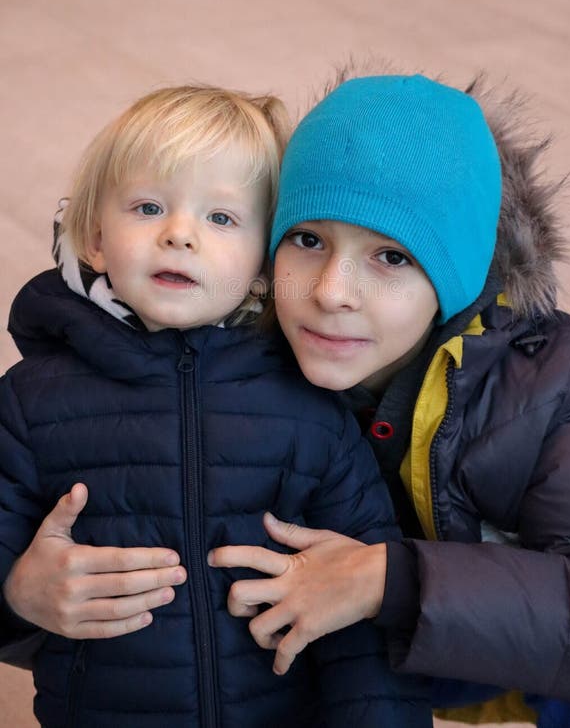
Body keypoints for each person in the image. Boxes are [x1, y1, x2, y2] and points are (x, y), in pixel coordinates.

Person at [0, 84, 432, 727]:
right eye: (148, 207)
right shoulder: (32, 401)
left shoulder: (312, 410)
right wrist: (16, 592)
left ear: (265, 262)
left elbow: (361, 626)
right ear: (94, 239)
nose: (179, 235)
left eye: (221, 218)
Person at [207, 71, 570, 727]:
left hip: (491, 647)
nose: (332, 291)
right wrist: (25, 593)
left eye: (391, 256)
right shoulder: (228, 353)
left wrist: (390, 579)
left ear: (457, 277)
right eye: (308, 240)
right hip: (338, 646)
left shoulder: (556, 382)